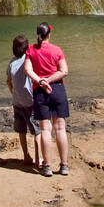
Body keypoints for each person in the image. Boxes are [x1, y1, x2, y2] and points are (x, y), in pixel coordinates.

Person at [25, 22, 69, 176]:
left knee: (45, 129)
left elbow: (27, 70)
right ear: (49, 34)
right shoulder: (57, 50)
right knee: (60, 128)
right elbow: (64, 71)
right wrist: (49, 80)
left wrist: (41, 81)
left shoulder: (30, 49)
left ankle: (47, 166)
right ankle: (64, 166)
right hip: (56, 88)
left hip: (40, 91)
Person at [7, 34, 40, 168]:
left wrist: (13, 93)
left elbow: (8, 81)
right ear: (27, 49)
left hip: (17, 101)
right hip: (30, 101)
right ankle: (38, 159)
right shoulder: (29, 60)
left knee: (22, 131)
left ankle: (26, 156)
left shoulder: (11, 63)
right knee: (37, 131)